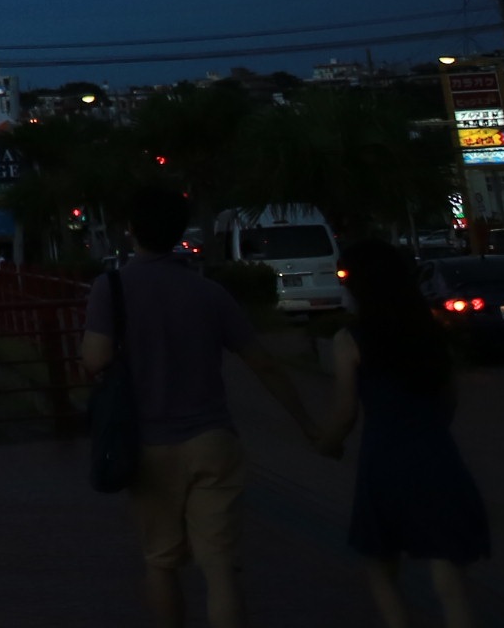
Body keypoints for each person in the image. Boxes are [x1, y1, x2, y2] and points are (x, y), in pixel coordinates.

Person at [76, 181, 321, 626]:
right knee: (221, 568)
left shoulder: (110, 288)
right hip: (212, 438)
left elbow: (94, 359)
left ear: (131, 230)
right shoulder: (208, 292)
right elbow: (263, 363)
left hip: (147, 444)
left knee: (161, 561)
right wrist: (306, 423)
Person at [313, 241, 489, 628]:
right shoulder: (432, 330)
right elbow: (449, 399)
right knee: (449, 580)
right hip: (438, 455)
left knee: (381, 567)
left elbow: (345, 413)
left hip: (385, 460)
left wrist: (327, 443)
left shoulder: (351, 340)